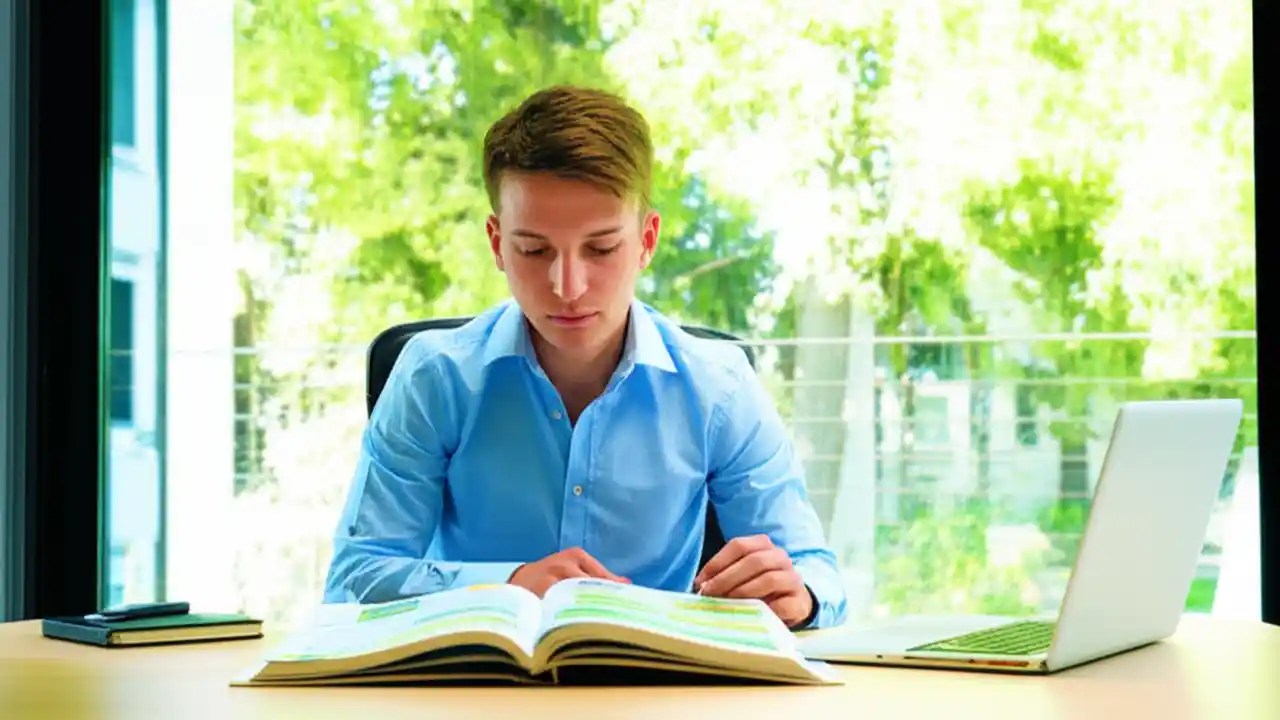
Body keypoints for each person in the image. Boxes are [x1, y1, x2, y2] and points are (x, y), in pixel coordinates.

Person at [323, 85, 848, 629]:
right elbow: (353, 580)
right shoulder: (433, 378)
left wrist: (800, 596)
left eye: (601, 248)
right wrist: (507, 586)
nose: (568, 286)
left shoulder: (721, 387)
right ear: (496, 243)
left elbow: (817, 574)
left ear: (646, 241)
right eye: (533, 249)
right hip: (474, 694)